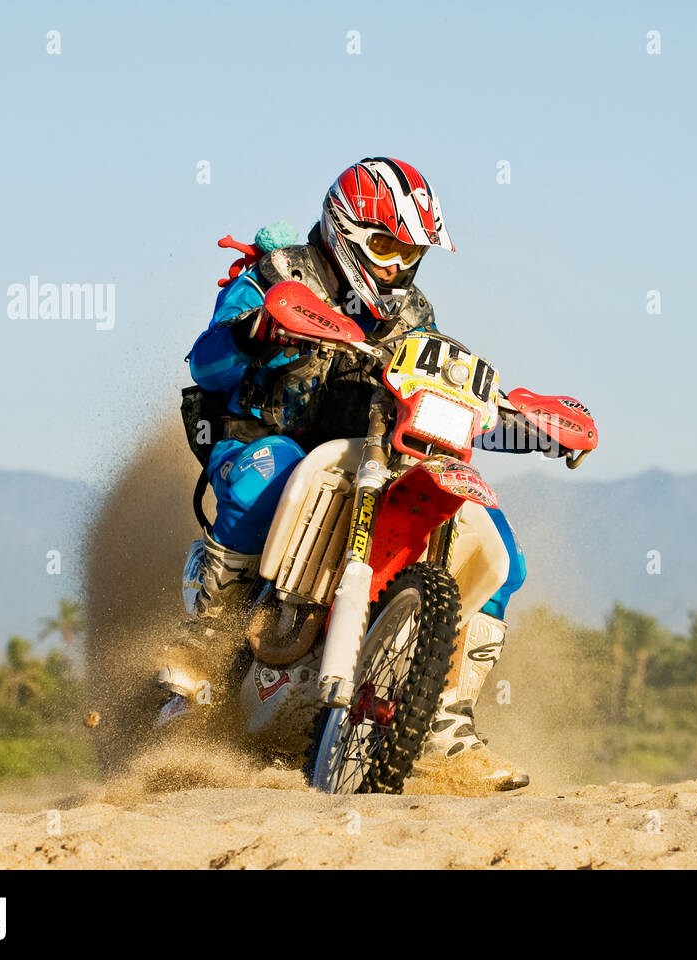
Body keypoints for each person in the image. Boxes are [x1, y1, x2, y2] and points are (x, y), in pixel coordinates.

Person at [164, 157, 532, 789]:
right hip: (267, 437)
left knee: (498, 545)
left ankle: (447, 716)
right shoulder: (280, 275)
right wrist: (253, 333)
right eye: (387, 247)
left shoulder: (412, 310)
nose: (398, 266)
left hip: (372, 454)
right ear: (346, 230)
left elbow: (429, 369)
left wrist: (523, 418)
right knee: (266, 477)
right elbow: (206, 363)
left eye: (410, 253)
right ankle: (209, 638)